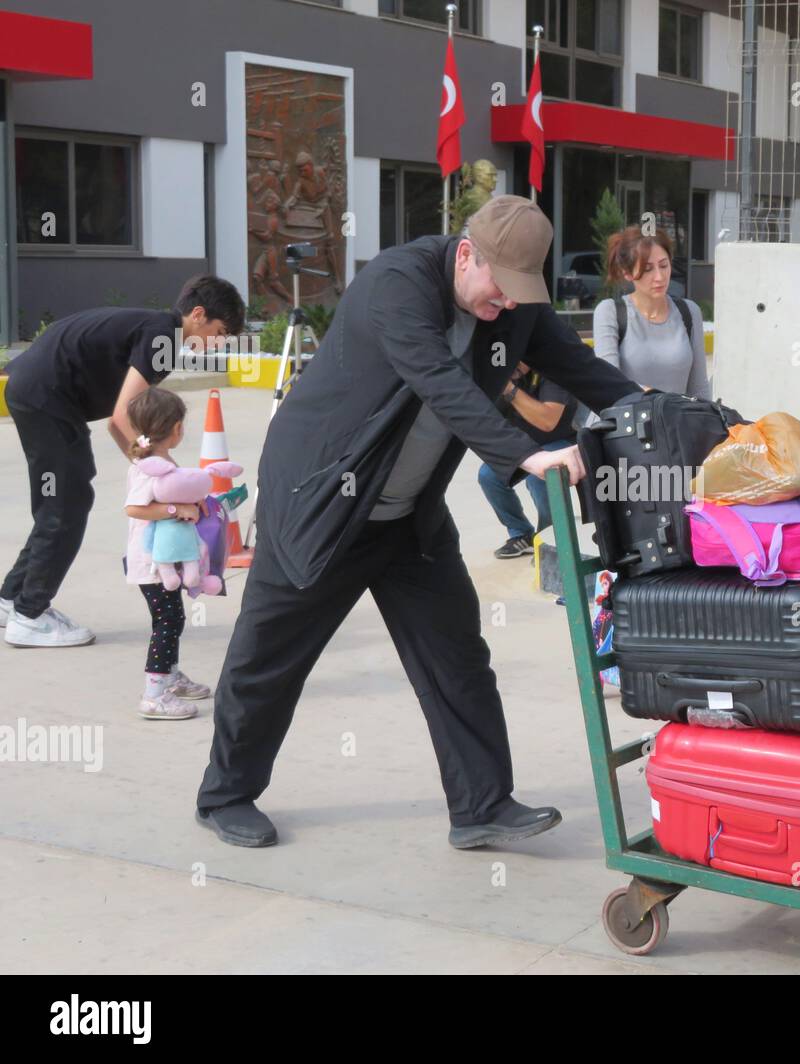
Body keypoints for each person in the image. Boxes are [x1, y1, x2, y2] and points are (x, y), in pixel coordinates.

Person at [195, 195, 640, 850]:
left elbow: (585, 372)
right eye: (499, 286)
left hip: (408, 519)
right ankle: (225, 794)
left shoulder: (512, 308)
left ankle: (482, 804)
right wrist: (527, 453)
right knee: (269, 658)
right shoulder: (397, 284)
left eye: (522, 292)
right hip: (323, 503)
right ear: (466, 255)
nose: (508, 304)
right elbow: (439, 381)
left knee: (456, 653)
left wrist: (677, 418)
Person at [1, 277, 245, 648]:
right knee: (66, 506)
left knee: (61, 503)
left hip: (37, 390)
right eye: (221, 331)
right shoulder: (162, 335)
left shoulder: (156, 331)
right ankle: (30, 614)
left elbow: (125, 422)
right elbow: (122, 417)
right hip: (47, 395)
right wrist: (162, 475)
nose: (221, 342)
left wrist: (148, 468)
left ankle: (9, 601)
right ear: (198, 315)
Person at [122, 387, 214, 720]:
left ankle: (170, 676)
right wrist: (178, 508)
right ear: (176, 428)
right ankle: (155, 693)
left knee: (171, 618)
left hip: (163, 558)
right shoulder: (149, 466)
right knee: (168, 620)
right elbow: (134, 508)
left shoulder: (158, 461)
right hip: (152, 562)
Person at [591, 226, 710, 399]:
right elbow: (609, 383)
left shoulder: (689, 312)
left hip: (675, 423)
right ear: (627, 273)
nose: (659, 277)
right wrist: (662, 402)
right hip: (624, 422)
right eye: (647, 269)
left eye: (664, 265)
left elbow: (699, 388)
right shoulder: (610, 312)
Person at [478, 361, 577, 559]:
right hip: (523, 444)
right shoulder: (500, 370)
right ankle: (521, 534)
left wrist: (509, 389)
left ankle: (551, 539)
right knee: (488, 475)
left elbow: (548, 421)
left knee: (540, 477)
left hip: (561, 440)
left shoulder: (551, 367)